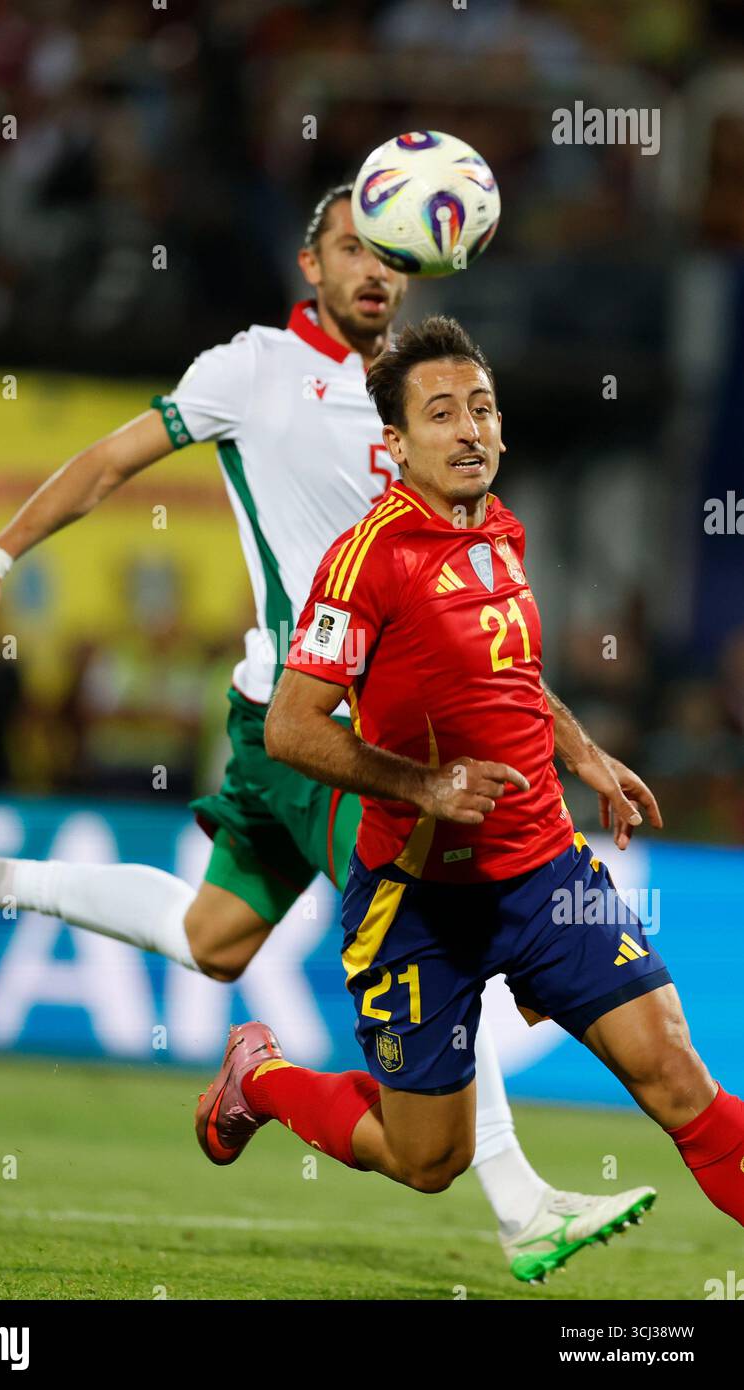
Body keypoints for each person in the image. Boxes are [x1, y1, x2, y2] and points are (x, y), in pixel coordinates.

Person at [0, 189, 657, 1282]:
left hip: (310, 722)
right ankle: (518, 1199)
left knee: (214, 941)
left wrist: (569, 742)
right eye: (351, 246)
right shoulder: (248, 369)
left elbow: (458, 622)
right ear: (309, 261)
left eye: (391, 253)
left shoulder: (422, 401)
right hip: (315, 728)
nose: (372, 270)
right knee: (427, 906)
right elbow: (110, 462)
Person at [196, 315, 744, 1236]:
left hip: (543, 874)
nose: (469, 430)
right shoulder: (366, 563)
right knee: (428, 1160)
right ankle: (260, 1078)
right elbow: (291, 728)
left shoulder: (499, 529)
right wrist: (422, 788)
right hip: (416, 901)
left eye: (481, 409)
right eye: (441, 413)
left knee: (676, 1076)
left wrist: (585, 756)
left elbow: (515, 677)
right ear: (397, 443)